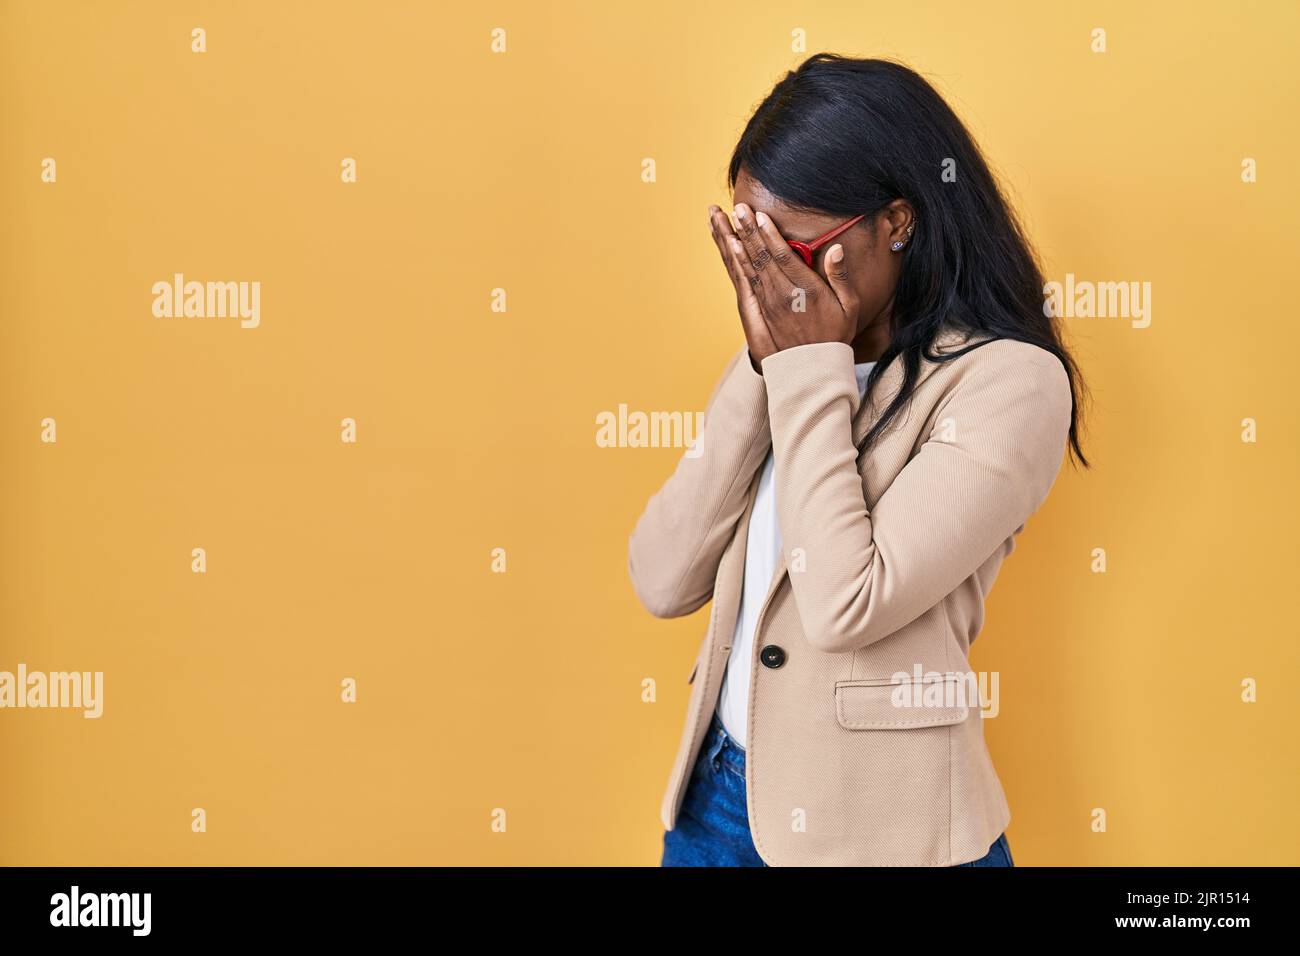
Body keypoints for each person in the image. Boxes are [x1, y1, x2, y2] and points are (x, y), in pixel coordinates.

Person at [629, 54, 1087, 867]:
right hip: (716, 807)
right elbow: (662, 577)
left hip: (883, 838)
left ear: (897, 223)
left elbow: (846, 603)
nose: (768, 278)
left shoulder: (1010, 384)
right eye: (748, 245)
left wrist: (805, 366)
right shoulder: (788, 352)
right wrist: (764, 362)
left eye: (793, 250)